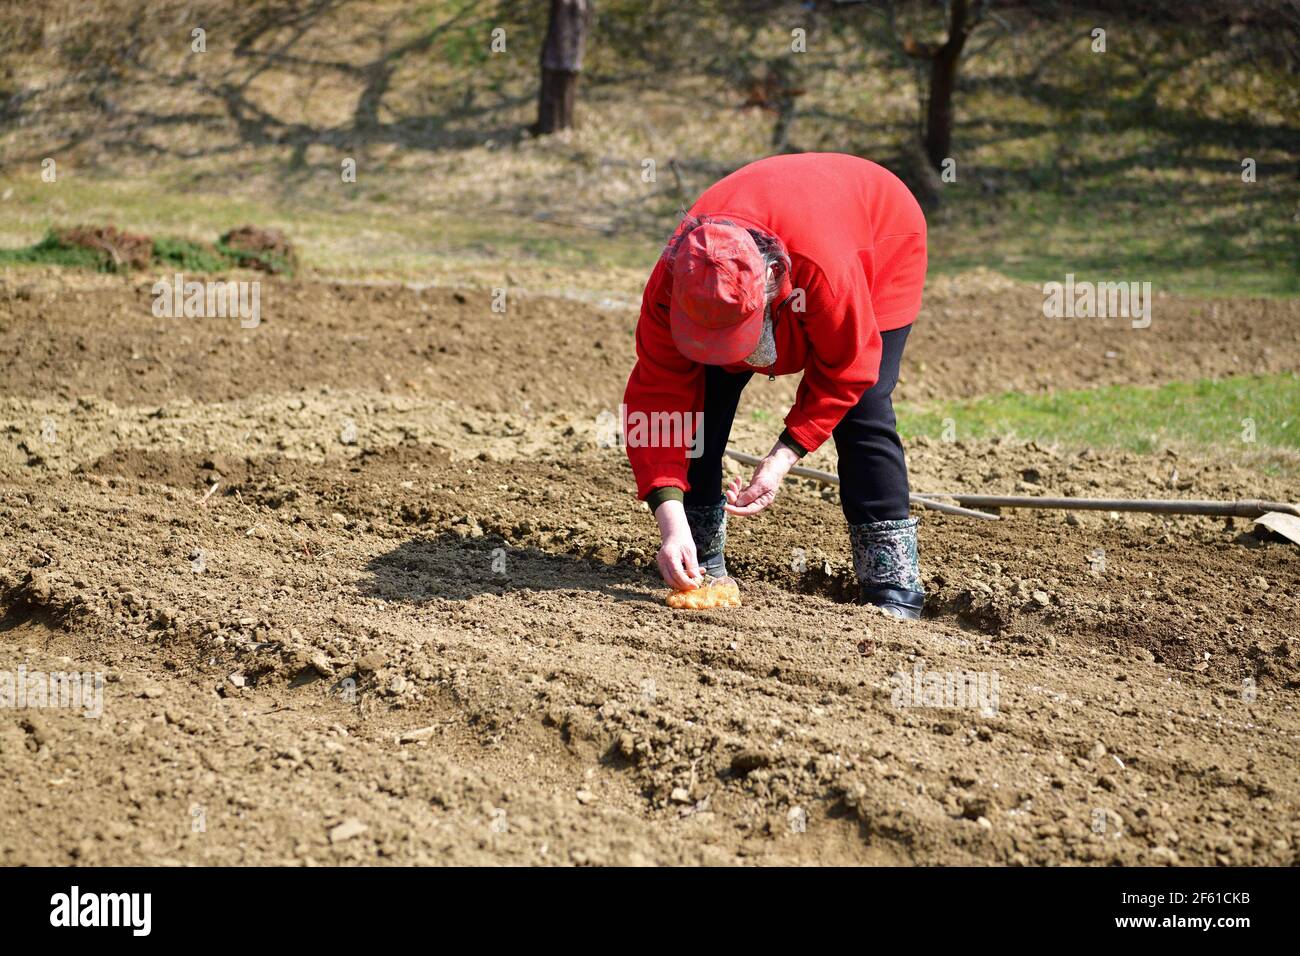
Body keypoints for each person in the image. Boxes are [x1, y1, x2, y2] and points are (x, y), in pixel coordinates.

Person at [622, 152, 928, 619]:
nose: (727, 351)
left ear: (771, 284)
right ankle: (698, 555)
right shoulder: (677, 277)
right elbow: (658, 398)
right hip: (780, 240)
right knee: (703, 395)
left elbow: (848, 368)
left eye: (732, 336)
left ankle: (891, 583)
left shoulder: (825, 271)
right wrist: (670, 521)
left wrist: (782, 457)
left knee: (863, 408)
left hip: (880, 230)